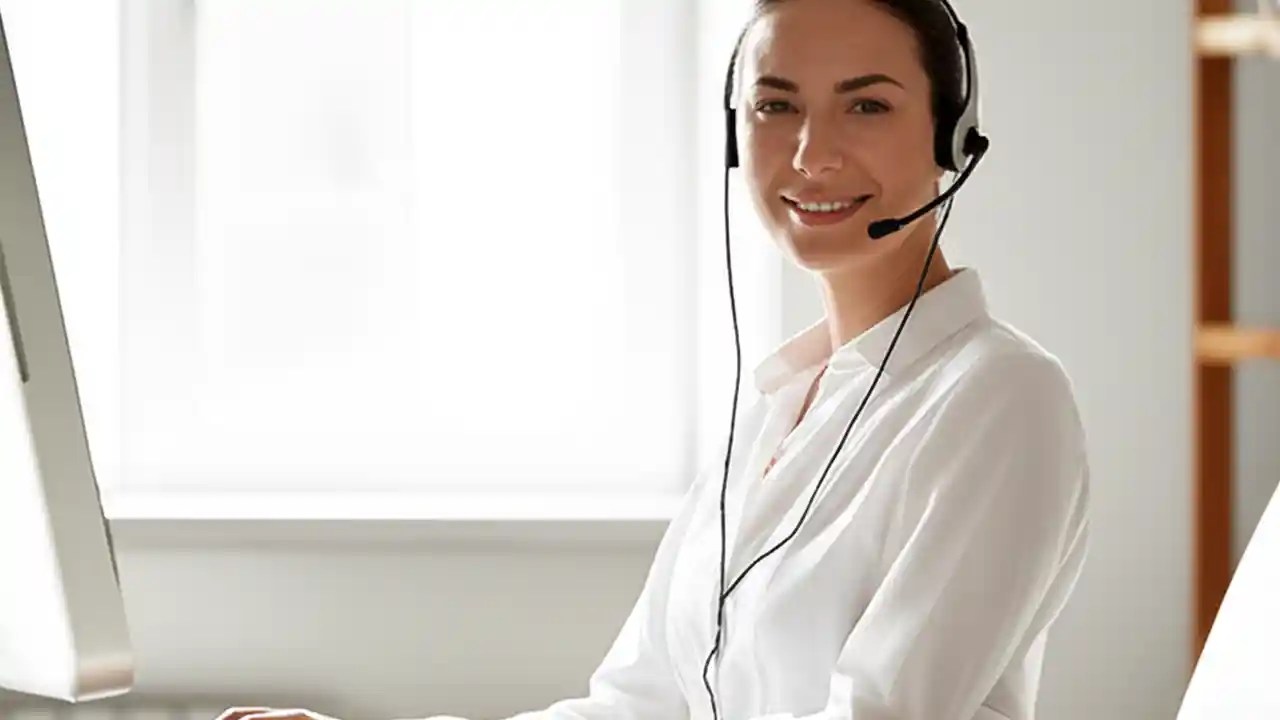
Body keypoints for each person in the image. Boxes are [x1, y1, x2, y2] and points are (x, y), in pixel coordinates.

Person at [217, 0, 1090, 718]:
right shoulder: (782, 404)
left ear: (951, 135)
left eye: (866, 105)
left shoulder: (1002, 398)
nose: (810, 154)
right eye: (775, 105)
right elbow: (640, 705)